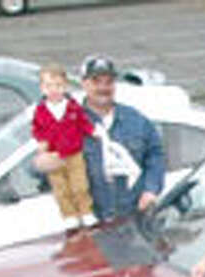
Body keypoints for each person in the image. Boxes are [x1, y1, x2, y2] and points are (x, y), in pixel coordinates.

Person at [77, 55, 164, 222]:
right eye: (96, 81)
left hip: (133, 223)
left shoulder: (136, 120)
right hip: (90, 226)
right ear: (84, 84)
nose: (103, 87)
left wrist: (151, 190)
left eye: (108, 82)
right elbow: (45, 170)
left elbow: (155, 154)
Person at [30, 63, 96, 226]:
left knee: (80, 185)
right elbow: (37, 129)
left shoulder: (73, 107)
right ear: (42, 89)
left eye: (58, 86)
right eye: (48, 86)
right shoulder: (40, 111)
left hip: (74, 153)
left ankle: (85, 211)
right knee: (60, 189)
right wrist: (41, 142)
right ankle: (69, 215)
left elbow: (83, 123)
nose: (53, 90)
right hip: (54, 156)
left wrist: (94, 131)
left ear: (65, 87)